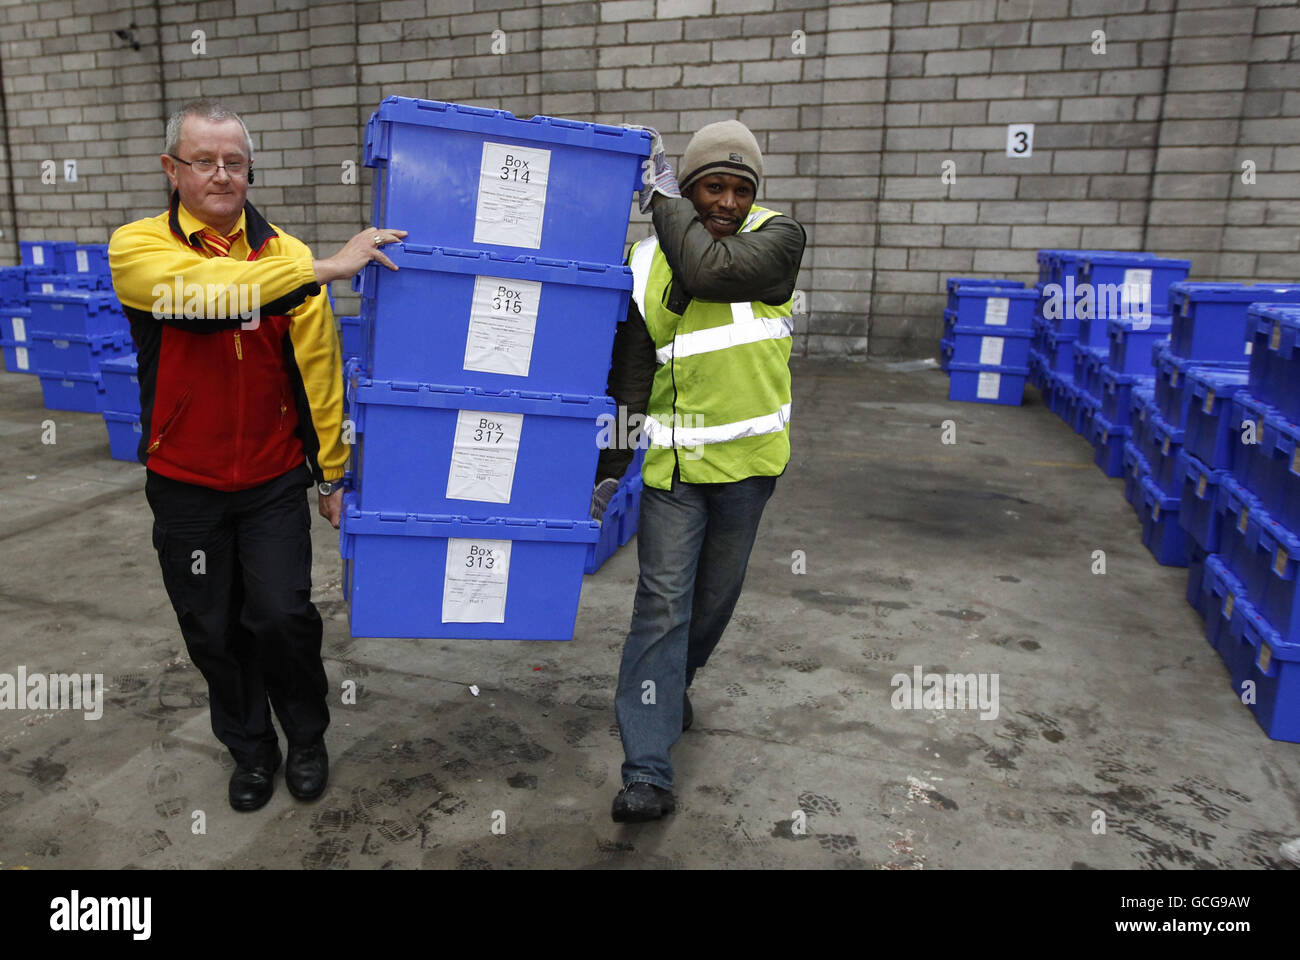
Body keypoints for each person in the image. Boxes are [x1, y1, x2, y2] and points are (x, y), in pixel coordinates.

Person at [108, 99, 406, 812]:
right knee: (211, 627)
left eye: (233, 162)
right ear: (171, 170)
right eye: (203, 160)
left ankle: (305, 737)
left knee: (281, 617)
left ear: (249, 171)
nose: (220, 174)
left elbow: (319, 371)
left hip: (271, 479)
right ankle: (251, 750)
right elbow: (199, 294)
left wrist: (332, 471)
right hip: (185, 485)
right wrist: (326, 268)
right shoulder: (140, 247)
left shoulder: (286, 255)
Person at [593, 120, 806, 823]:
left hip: (748, 466)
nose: (728, 201)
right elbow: (630, 375)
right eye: (712, 186)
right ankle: (647, 768)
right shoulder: (643, 262)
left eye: (740, 188)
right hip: (675, 471)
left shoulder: (779, 238)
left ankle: (671, 680)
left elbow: (708, 269)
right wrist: (607, 470)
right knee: (661, 605)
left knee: (712, 603)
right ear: (688, 189)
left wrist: (661, 201)